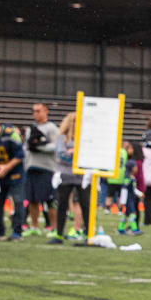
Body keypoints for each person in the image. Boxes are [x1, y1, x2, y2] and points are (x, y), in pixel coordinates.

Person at [24, 102, 60, 239]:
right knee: (32, 199)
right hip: (32, 167)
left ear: (46, 111)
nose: (35, 114)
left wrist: (39, 147)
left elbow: (56, 146)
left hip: (47, 168)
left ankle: (54, 227)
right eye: (34, 111)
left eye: (38, 111)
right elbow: (27, 148)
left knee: (49, 200)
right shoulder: (30, 129)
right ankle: (34, 227)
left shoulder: (51, 128)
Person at [52, 112, 89, 244]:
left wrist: (72, 152)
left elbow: (86, 155)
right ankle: (59, 234)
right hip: (65, 175)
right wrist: (75, 153)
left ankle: (88, 235)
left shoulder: (84, 138)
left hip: (81, 176)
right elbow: (61, 155)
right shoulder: (62, 138)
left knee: (85, 205)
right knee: (62, 205)